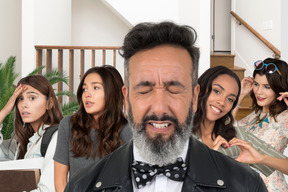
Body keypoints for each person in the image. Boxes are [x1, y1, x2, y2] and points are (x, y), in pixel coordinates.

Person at [64, 21, 267, 192]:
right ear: (127, 98)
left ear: (195, 98)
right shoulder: (81, 187)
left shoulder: (247, 185)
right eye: (144, 90)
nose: (159, 108)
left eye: (174, 90)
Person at [192, 65, 287, 177]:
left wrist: (261, 158)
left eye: (230, 99)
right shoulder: (177, 135)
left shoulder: (239, 136)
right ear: (199, 90)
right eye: (217, 91)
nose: (222, 102)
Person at [53, 65, 132, 192]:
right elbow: (60, 183)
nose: (87, 94)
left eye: (96, 88)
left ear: (112, 92)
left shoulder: (126, 129)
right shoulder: (68, 125)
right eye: (84, 89)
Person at [232, 58, 288, 191]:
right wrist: (240, 95)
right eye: (256, 84)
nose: (259, 91)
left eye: (267, 87)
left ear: (279, 88)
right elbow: (225, 129)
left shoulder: (285, 118)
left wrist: (262, 159)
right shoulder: (255, 116)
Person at [0, 75, 63, 192]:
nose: (24, 105)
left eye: (32, 98)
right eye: (20, 98)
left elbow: (48, 189)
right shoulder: (20, 145)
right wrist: (4, 112)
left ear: (50, 103)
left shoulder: (56, 137)